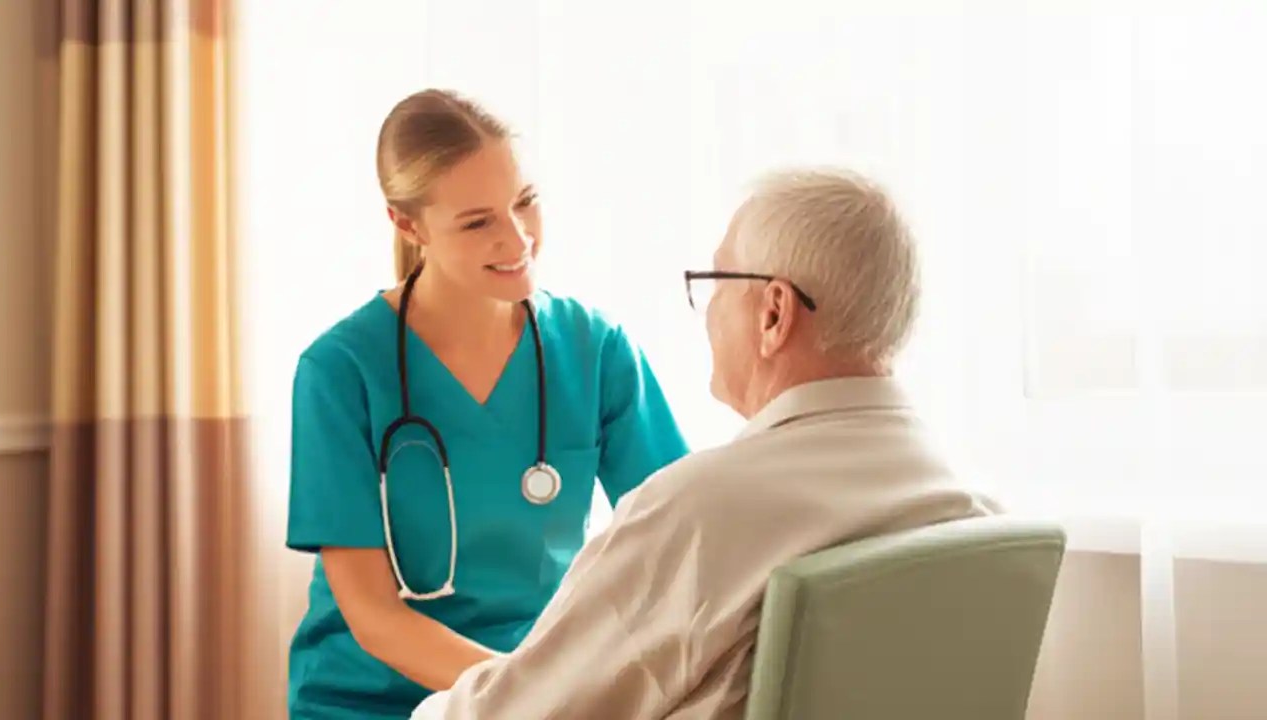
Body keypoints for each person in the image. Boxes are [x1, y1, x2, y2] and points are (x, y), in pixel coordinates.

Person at [410, 167, 1001, 719]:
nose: (707, 311)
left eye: (715, 282)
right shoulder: (973, 510)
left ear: (774, 314)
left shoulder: (698, 513)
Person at [284, 88, 690, 719]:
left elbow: (679, 536)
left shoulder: (594, 351)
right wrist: (534, 691)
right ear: (407, 223)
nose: (518, 237)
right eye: (478, 222)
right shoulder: (340, 372)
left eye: (525, 202)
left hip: (536, 691)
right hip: (374, 699)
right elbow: (374, 618)